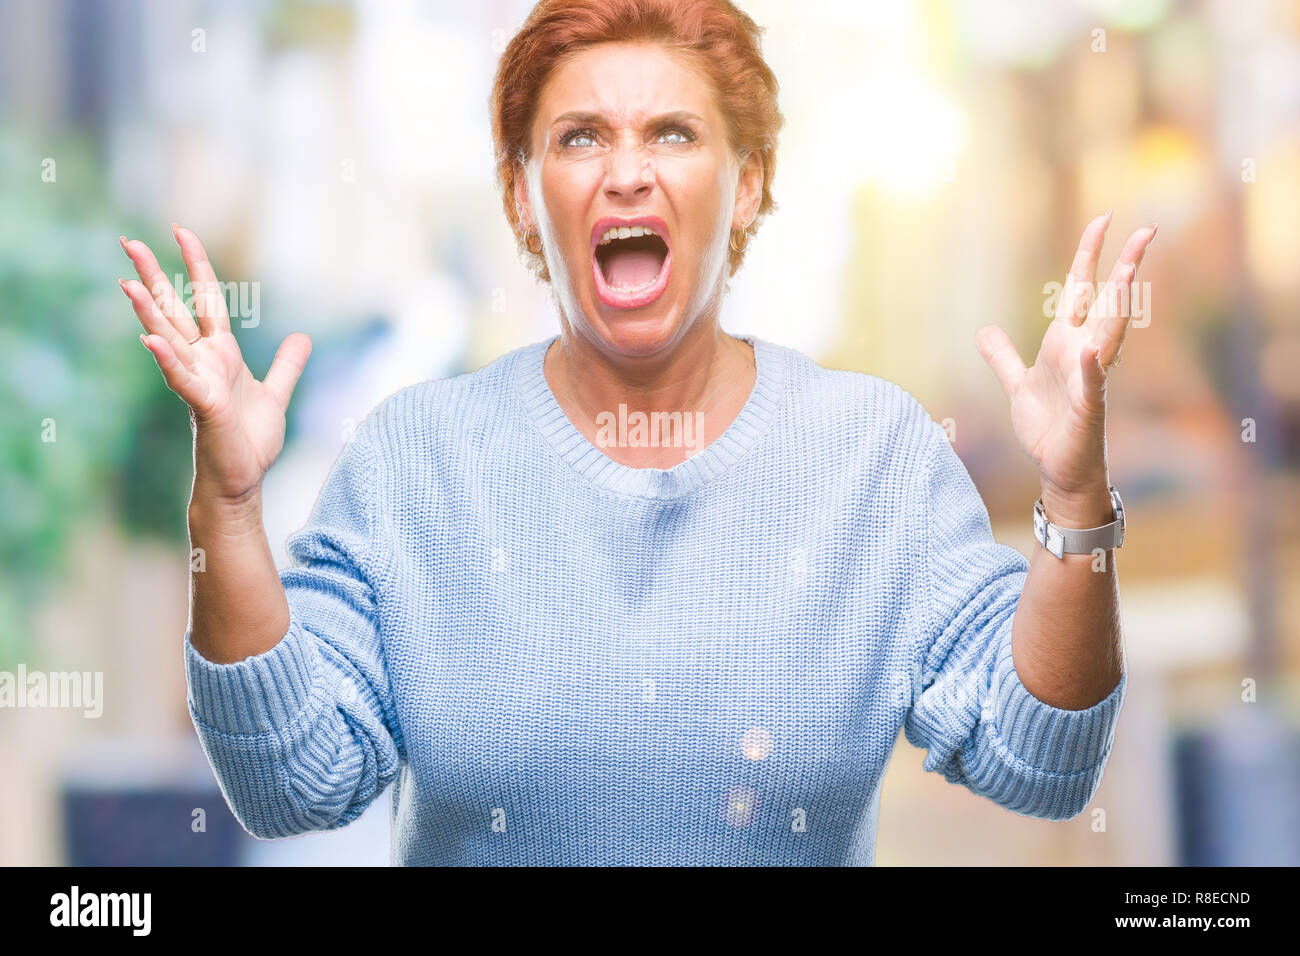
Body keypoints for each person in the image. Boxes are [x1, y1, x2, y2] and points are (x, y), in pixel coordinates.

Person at [117, 0, 1155, 865]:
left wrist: (1072, 498)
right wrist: (231, 506)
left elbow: (1040, 760)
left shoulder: (870, 455)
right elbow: (289, 782)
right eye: (578, 137)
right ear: (526, 201)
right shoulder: (413, 460)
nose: (626, 172)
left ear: (746, 182)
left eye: (672, 133)